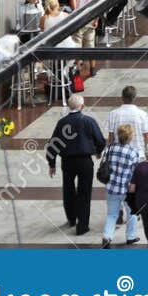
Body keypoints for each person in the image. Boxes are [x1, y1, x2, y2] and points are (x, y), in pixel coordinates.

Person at [46, 94, 105, 235]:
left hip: (67, 161)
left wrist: (52, 164)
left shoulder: (62, 123)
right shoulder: (89, 121)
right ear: (82, 106)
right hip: (85, 162)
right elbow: (101, 140)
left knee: (68, 190)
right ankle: (82, 226)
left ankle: (71, 219)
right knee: (85, 193)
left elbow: (52, 145)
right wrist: (98, 152)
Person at [99, 123, 142, 247]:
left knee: (112, 214)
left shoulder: (110, 148)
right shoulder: (133, 152)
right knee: (132, 213)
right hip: (127, 189)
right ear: (130, 137)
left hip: (111, 187)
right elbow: (135, 172)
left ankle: (107, 237)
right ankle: (131, 236)